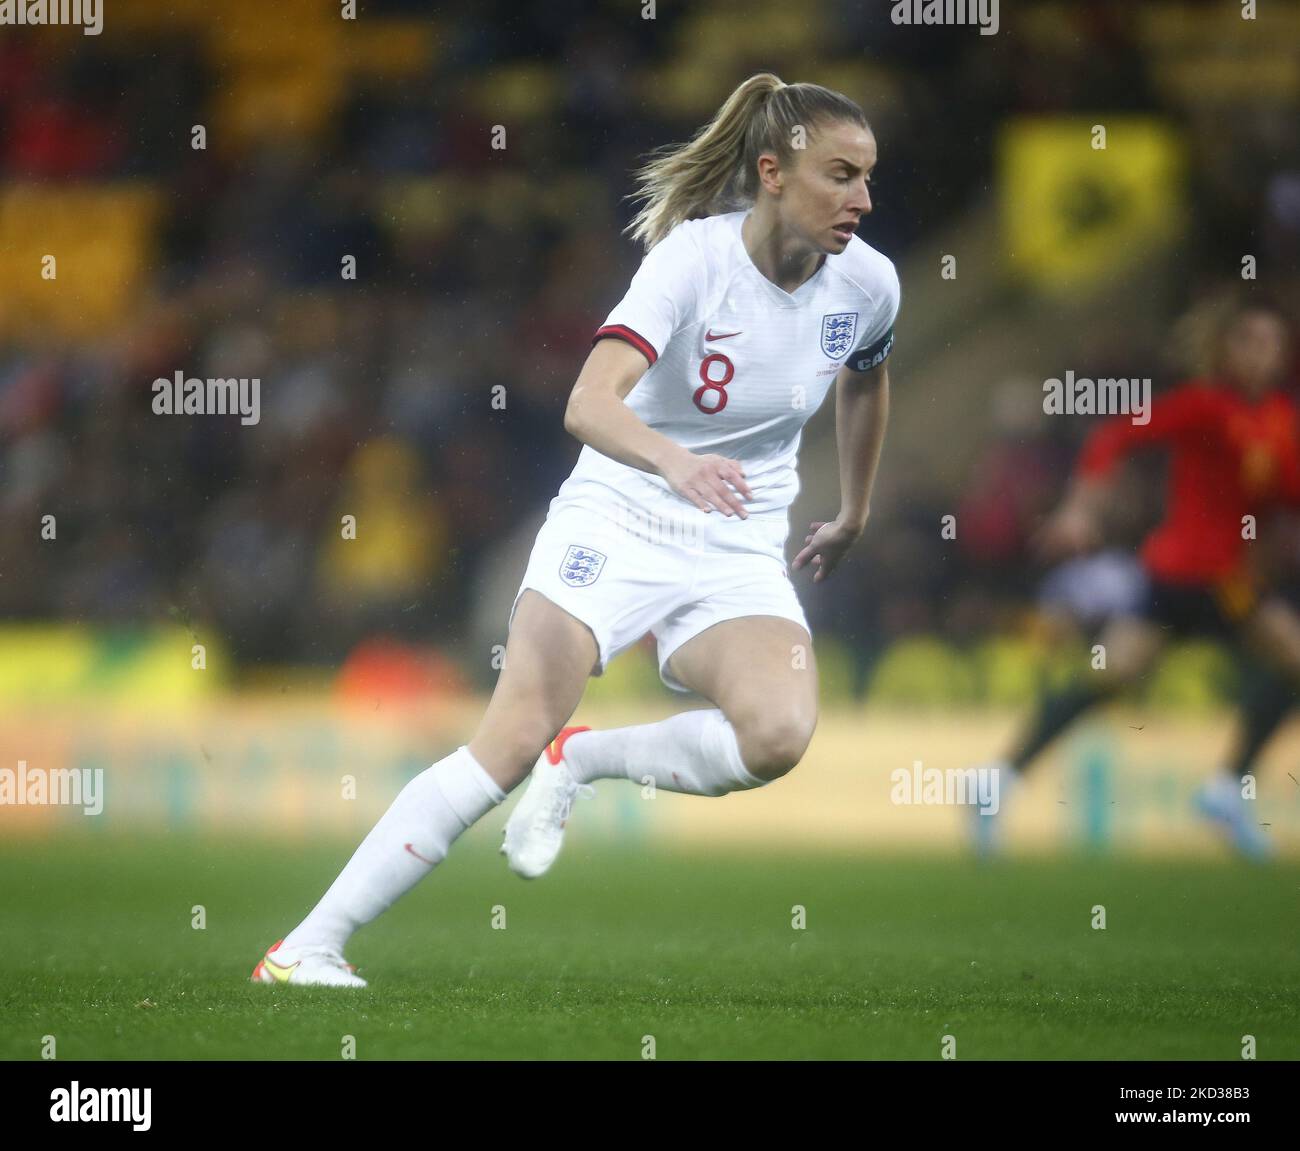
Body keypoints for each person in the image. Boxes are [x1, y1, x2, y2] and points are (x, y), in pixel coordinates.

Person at [252, 72, 900, 986]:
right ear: (772, 173)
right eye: (841, 175)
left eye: (869, 177)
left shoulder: (869, 285)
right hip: (620, 512)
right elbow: (588, 403)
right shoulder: (692, 262)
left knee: (779, 735)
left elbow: (867, 379)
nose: (862, 201)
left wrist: (856, 510)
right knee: (509, 735)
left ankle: (585, 758)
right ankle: (304, 947)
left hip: (739, 538)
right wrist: (674, 462)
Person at [971, 301, 1299, 860]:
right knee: (1112, 677)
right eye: (1249, 341)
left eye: (1271, 343)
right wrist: (1080, 509)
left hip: (1228, 581)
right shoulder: (1202, 405)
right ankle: (1000, 781)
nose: (1261, 354)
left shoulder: (1280, 420)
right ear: (1224, 349)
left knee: (1114, 675)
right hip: (1182, 576)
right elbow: (1115, 437)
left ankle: (1000, 780)